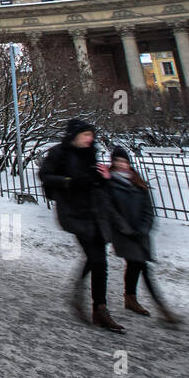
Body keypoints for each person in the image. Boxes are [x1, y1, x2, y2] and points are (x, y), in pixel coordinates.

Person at [39, 118, 125, 332]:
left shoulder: (90, 153)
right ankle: (99, 308)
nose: (90, 138)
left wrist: (103, 178)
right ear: (75, 135)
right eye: (86, 134)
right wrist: (69, 182)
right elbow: (45, 176)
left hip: (95, 211)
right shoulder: (59, 153)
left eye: (91, 135)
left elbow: (92, 181)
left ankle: (94, 304)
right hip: (74, 212)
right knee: (97, 259)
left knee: (98, 259)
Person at [104, 147, 180, 325]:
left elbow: (148, 209)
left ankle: (130, 298)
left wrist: (144, 227)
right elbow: (111, 210)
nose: (121, 165)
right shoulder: (110, 183)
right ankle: (161, 307)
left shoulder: (138, 181)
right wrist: (126, 228)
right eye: (117, 162)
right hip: (124, 233)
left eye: (124, 161)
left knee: (135, 266)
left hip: (141, 232)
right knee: (141, 266)